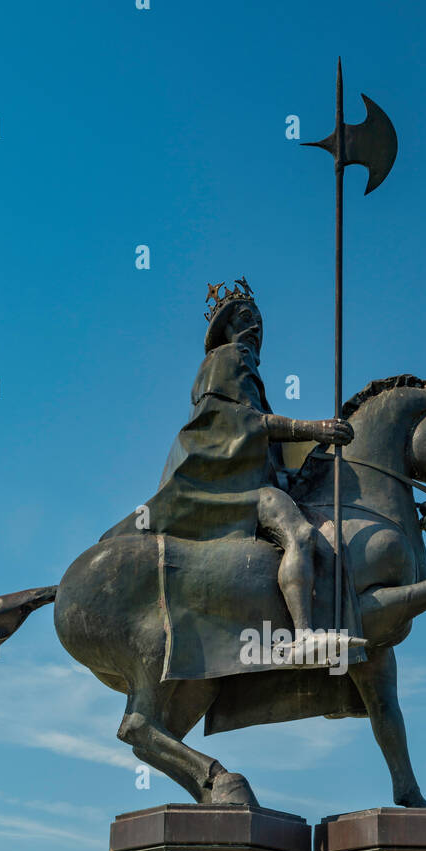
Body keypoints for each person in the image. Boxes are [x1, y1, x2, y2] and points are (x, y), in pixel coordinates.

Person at [103, 278, 355, 650]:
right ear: (226, 327)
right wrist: (313, 428)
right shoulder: (228, 358)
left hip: (243, 484)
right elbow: (246, 424)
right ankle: (303, 637)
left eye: (259, 322)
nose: (255, 328)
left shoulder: (243, 370)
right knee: (300, 534)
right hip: (233, 490)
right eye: (245, 318)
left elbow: (263, 442)